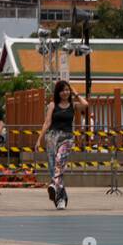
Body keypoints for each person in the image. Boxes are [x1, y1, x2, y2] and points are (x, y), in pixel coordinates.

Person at [36, 79, 86, 210]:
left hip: (67, 138)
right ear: (58, 92)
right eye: (63, 90)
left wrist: (75, 93)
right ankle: (61, 199)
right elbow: (47, 123)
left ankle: (54, 186)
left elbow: (85, 104)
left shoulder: (73, 105)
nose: (65, 92)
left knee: (59, 163)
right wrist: (39, 138)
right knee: (54, 168)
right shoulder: (52, 105)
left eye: (67, 90)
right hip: (52, 137)